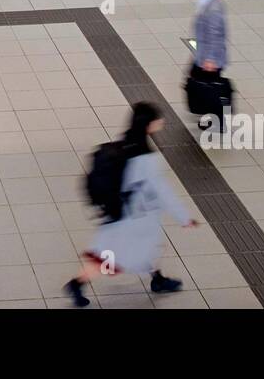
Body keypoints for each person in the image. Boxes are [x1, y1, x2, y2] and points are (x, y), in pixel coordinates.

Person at [64, 102, 198, 307]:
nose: (162, 121)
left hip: (122, 210)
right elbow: (162, 191)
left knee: (146, 248)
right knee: (111, 256)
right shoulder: (146, 158)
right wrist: (184, 217)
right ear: (149, 124)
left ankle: (157, 279)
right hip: (136, 217)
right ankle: (78, 282)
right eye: (158, 118)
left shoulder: (126, 142)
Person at [188, 0, 230, 131]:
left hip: (210, 59)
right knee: (202, 84)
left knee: (209, 88)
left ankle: (218, 121)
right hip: (204, 55)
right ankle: (211, 116)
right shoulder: (208, 2)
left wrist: (211, 59)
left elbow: (215, 35)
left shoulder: (213, 8)